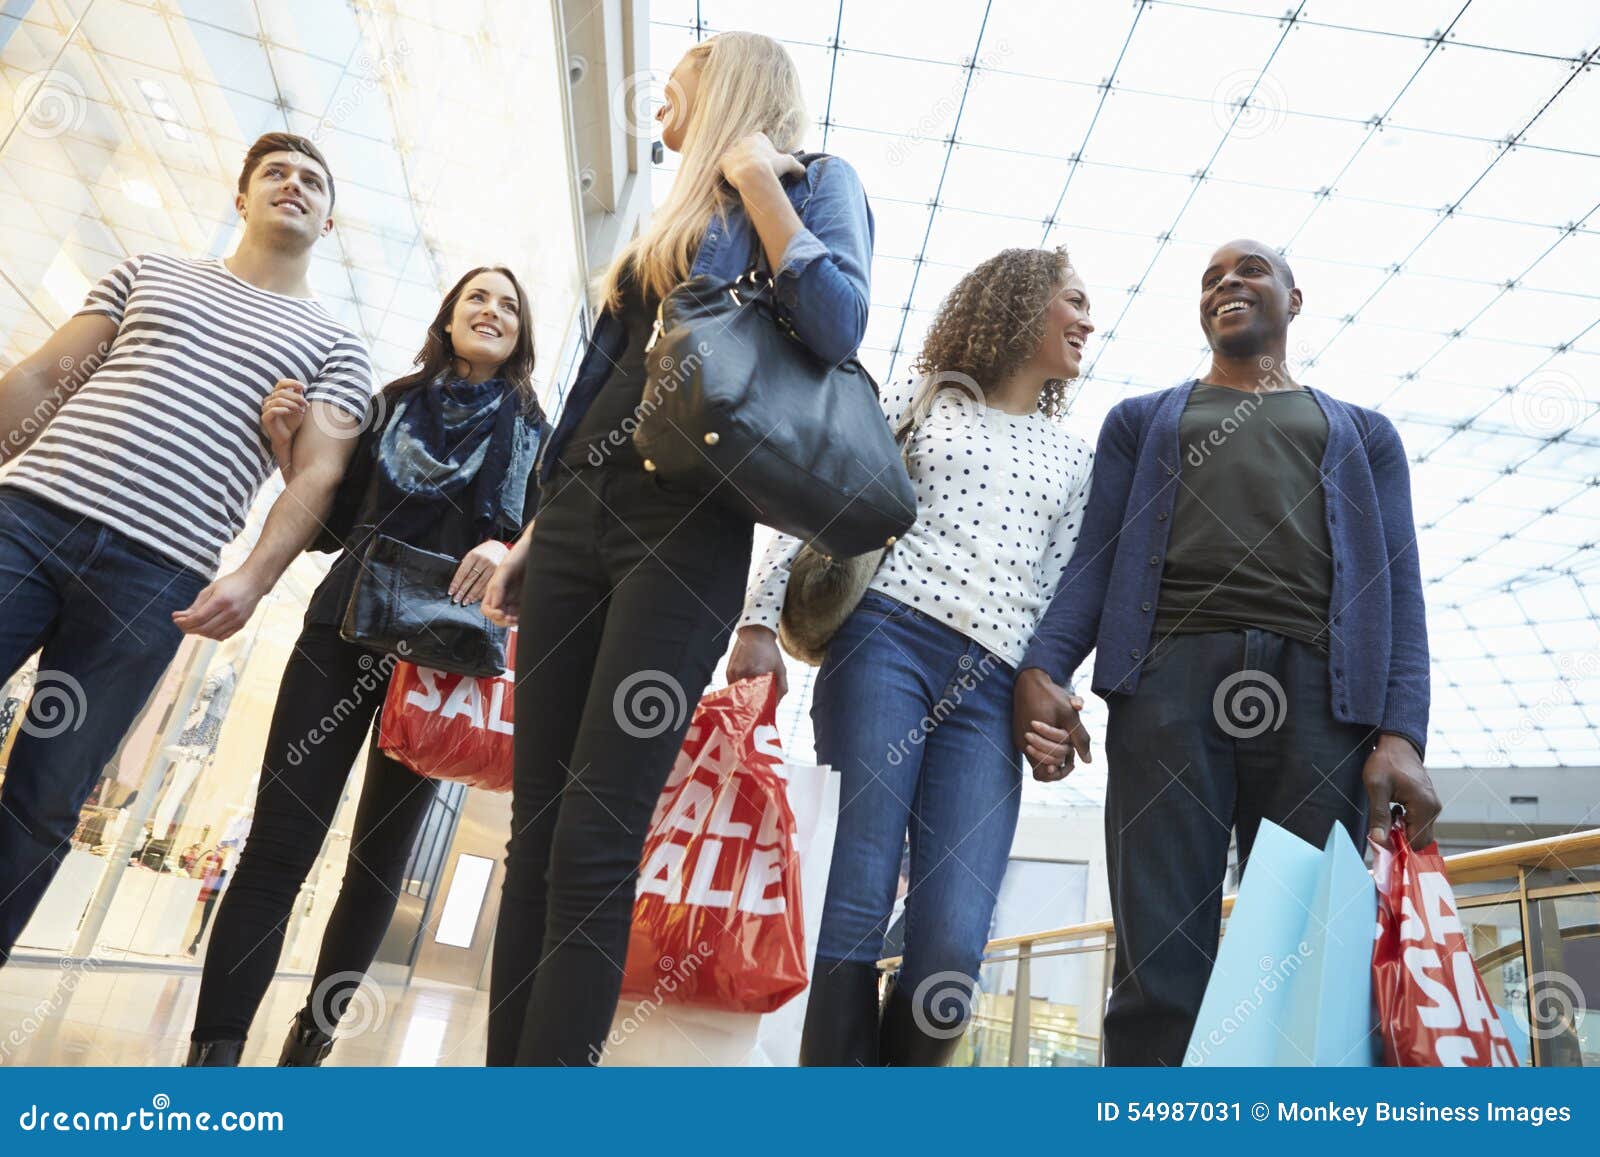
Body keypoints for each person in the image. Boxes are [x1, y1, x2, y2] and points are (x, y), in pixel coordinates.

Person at [479, 30, 873, 1066]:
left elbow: (837, 323)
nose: (660, 104)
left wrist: (753, 179)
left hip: (686, 526)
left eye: (676, 85)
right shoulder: (665, 221)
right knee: (536, 829)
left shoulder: (814, 181)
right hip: (576, 518)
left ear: (731, 90)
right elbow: (587, 392)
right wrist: (532, 527)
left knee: (598, 831)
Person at [1017, 239, 1441, 1066]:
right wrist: (1043, 668)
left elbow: (1400, 589)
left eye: (1249, 271)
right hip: (1169, 685)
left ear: (1295, 296)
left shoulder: (1364, 434)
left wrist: (1402, 734)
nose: (1228, 284)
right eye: (1211, 279)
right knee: (1160, 954)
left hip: (1324, 697)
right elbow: (1095, 561)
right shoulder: (1142, 422)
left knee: (1307, 958)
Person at [0, 133, 373, 966]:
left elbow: (317, 475)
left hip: (154, 577)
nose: (293, 184)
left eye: (313, 179)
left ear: (330, 219)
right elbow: (44, 374)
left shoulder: (337, 350)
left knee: (45, 797)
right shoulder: (148, 270)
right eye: (274, 173)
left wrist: (252, 577)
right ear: (240, 199)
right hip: (26, 520)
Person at [731, 247, 1096, 1065]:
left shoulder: (1077, 458)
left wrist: (1056, 697)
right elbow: (820, 499)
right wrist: (757, 620)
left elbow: (1063, 596)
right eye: (1072, 300)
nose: (1087, 320)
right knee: (852, 893)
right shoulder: (920, 397)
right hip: (885, 643)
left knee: (952, 946)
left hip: (994, 687)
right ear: (1018, 303)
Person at [186, 267, 545, 1066]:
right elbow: (331, 522)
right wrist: (288, 446)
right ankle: (213, 1056)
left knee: (378, 861)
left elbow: (547, 538)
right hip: (343, 626)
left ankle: (309, 1046)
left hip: (442, 656)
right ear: (448, 314)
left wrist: (509, 544)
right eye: (476, 297)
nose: (491, 310)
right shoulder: (392, 400)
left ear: (523, 334)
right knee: (281, 839)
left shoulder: (531, 424)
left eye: (510, 305)